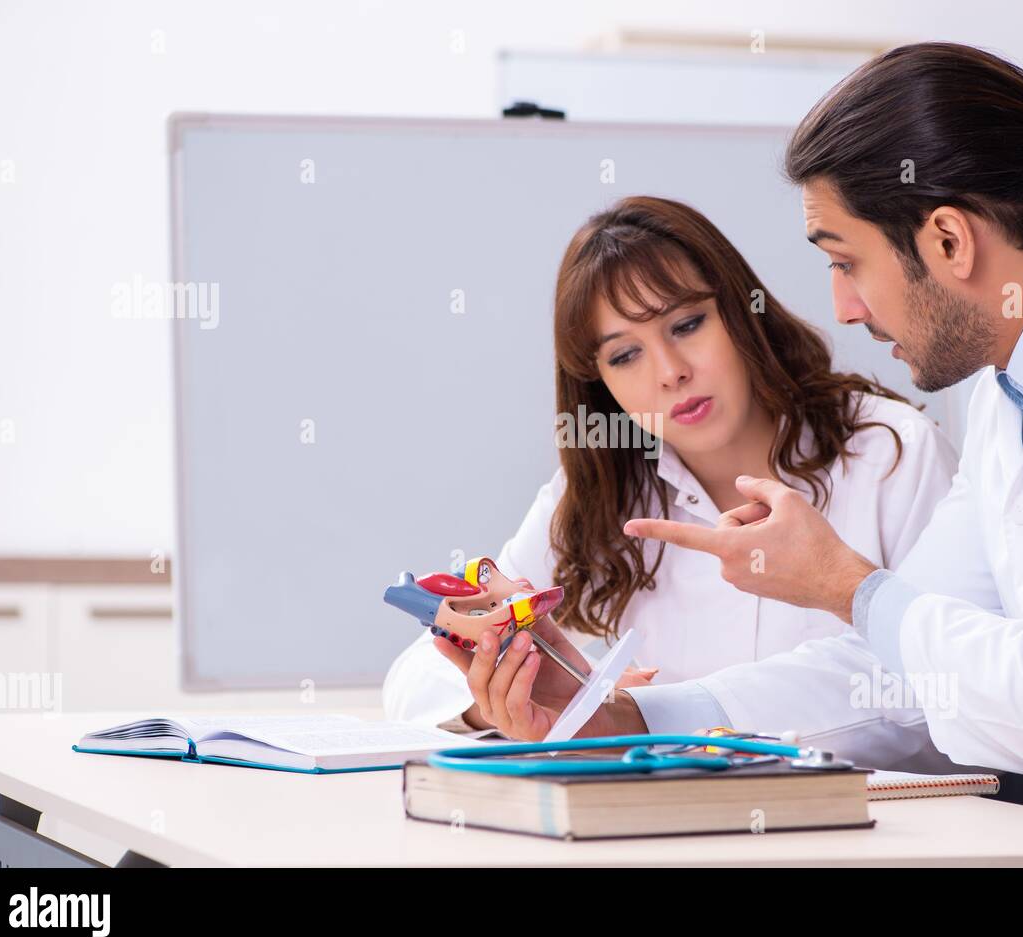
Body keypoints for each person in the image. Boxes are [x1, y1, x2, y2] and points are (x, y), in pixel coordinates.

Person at [458, 43, 1023, 848]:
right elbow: (895, 678)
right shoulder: (1006, 392)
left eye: (847, 262)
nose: (842, 307)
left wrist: (847, 586)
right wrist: (630, 717)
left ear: (948, 240)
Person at [384, 195, 962, 773]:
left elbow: (936, 687)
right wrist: (504, 696)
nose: (670, 372)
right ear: (599, 382)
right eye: (624, 355)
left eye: (687, 325)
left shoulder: (890, 450)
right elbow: (416, 676)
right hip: (677, 819)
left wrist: (643, 716)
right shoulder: (601, 494)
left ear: (741, 311)